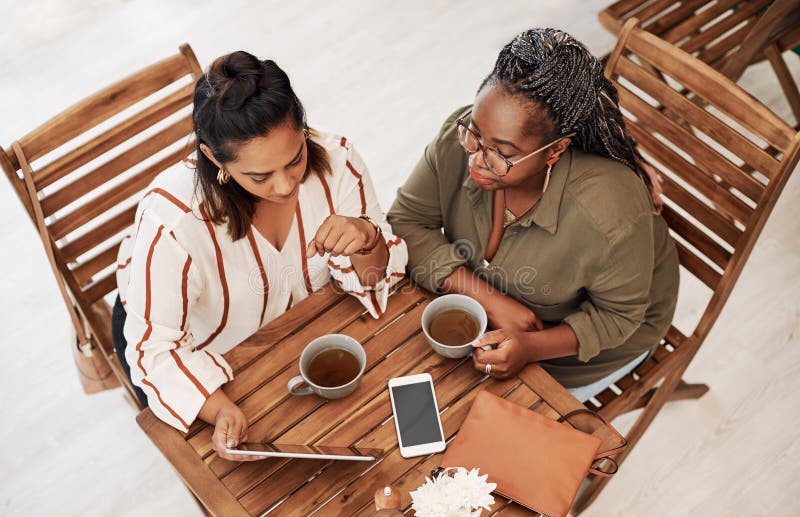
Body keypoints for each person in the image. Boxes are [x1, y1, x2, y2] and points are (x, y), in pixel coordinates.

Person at [112, 51, 407, 460]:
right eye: (260, 176)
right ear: (216, 159)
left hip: (290, 332)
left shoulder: (339, 161)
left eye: (295, 159)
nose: (286, 186)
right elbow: (153, 351)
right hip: (189, 340)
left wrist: (369, 237)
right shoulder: (172, 222)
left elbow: (377, 279)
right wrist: (218, 409)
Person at [387, 28, 678, 401]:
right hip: (488, 314)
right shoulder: (459, 140)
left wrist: (532, 347)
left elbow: (618, 318)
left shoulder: (608, 215)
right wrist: (488, 298)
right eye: (474, 133)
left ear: (555, 151)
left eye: (502, 153)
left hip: (580, 349)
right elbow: (405, 221)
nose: (476, 158)